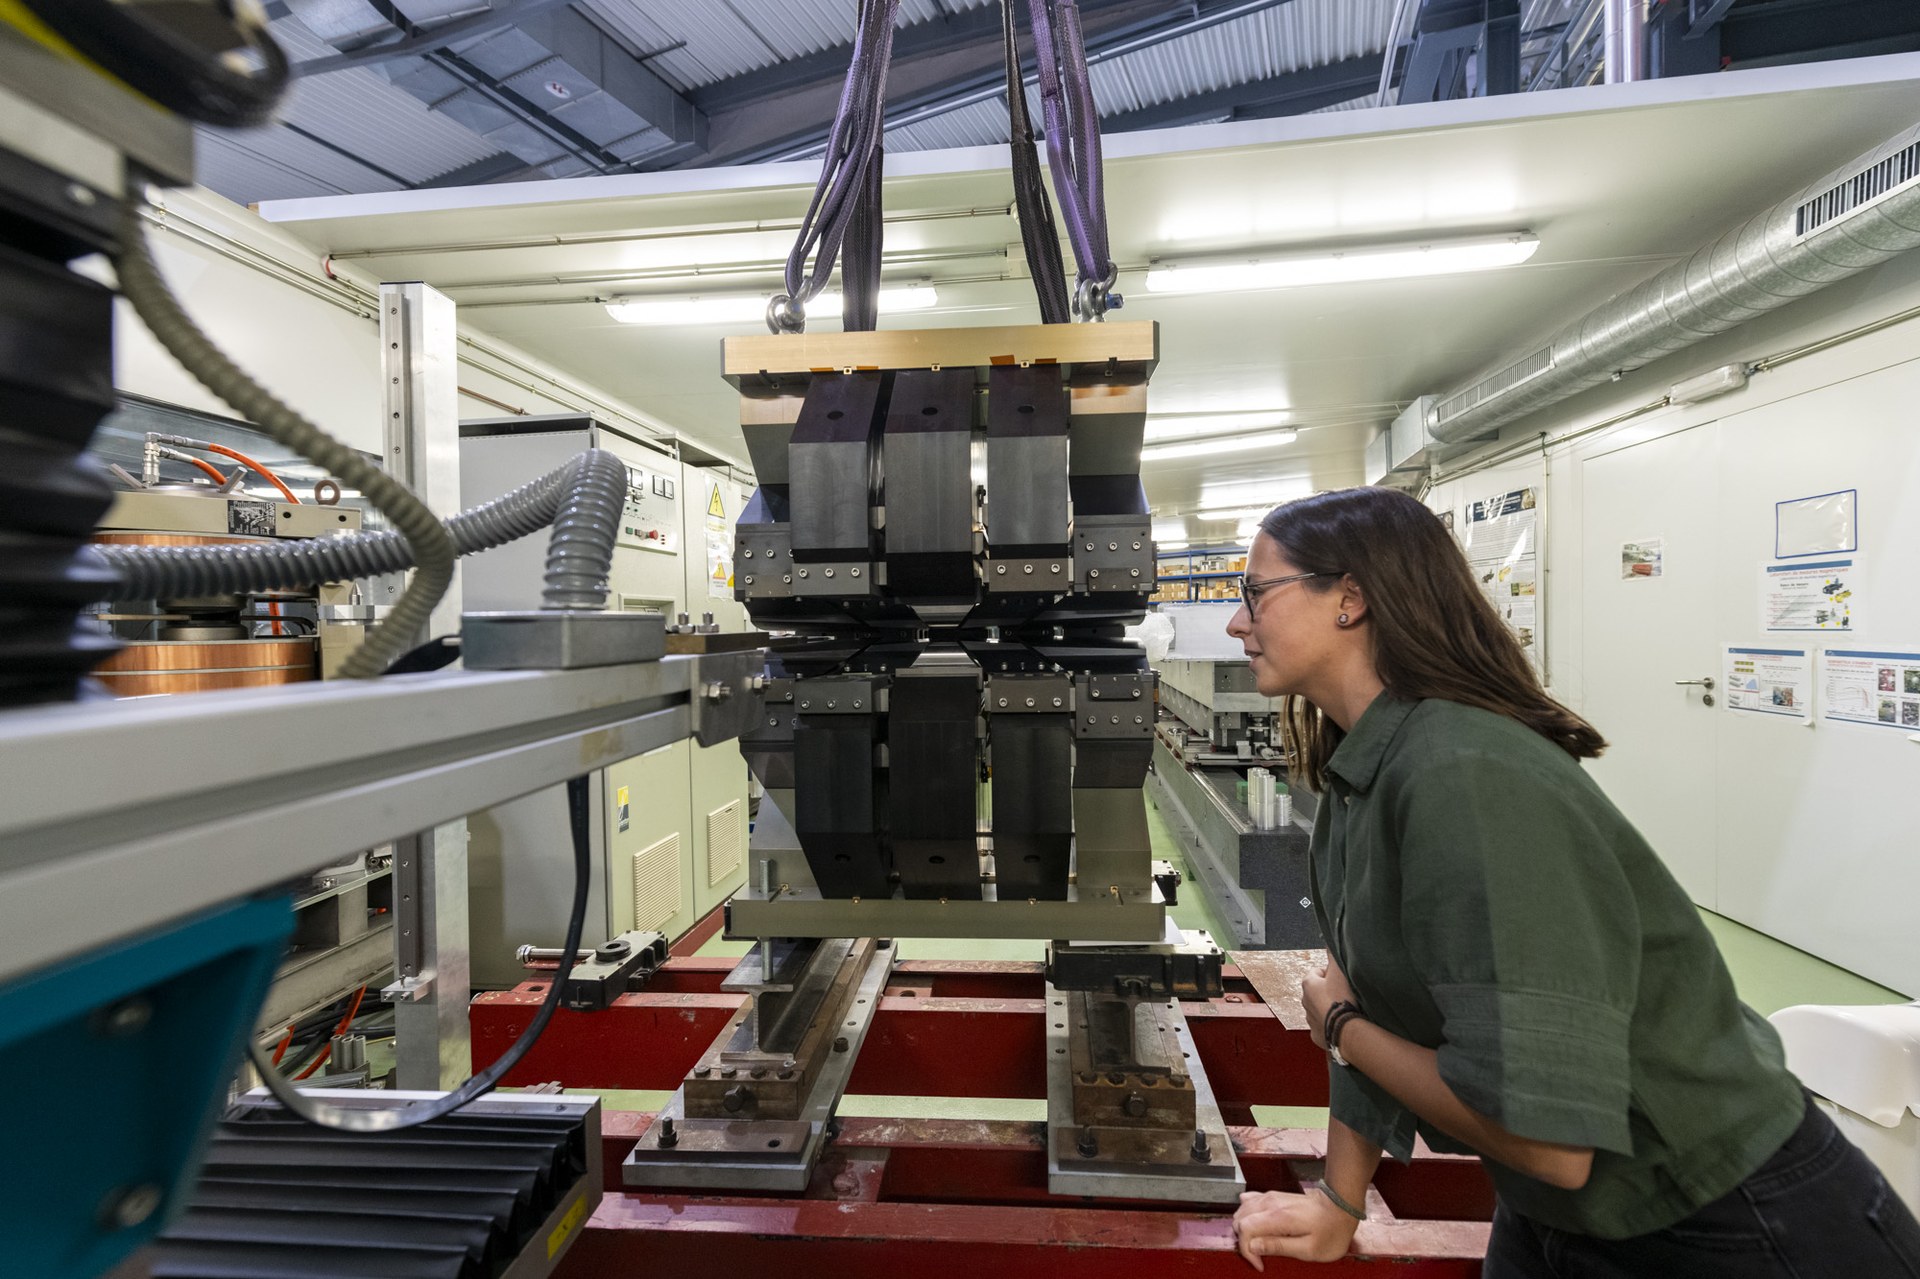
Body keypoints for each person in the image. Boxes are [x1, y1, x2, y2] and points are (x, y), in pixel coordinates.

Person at [1222, 486, 1920, 1275]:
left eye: (1256, 593)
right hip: (1555, 1211)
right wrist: (1338, 1201)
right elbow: (1356, 991)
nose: (1237, 623)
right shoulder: (1364, 769)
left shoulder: (1467, 775)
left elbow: (1545, 1138)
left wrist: (1343, 1027)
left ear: (1350, 597)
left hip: (1731, 1218)